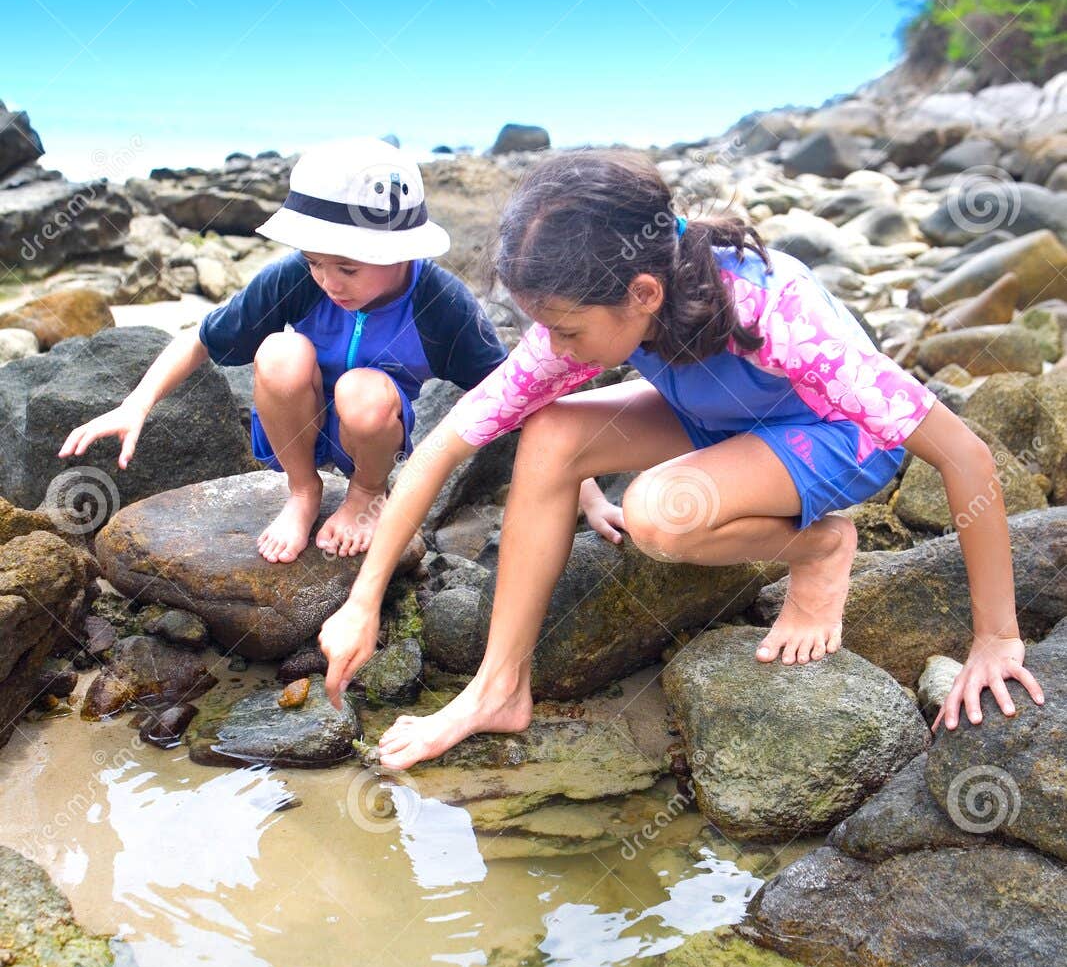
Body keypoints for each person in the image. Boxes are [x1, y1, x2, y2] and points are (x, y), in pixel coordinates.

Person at [316, 147, 1045, 767]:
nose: (554, 348)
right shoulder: (601, 307)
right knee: (550, 433)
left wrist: (995, 638)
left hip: (835, 434)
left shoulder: (774, 309)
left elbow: (965, 456)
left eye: (567, 331)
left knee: (658, 512)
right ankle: (498, 688)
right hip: (718, 415)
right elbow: (444, 445)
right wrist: (362, 601)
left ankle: (820, 547)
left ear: (643, 293)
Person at [58, 136, 521, 561]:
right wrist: (137, 404)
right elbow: (202, 336)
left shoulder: (440, 302)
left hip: (373, 430)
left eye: (347, 268)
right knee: (280, 351)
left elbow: (510, 390)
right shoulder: (297, 277)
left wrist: (558, 480)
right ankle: (303, 492)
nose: (329, 282)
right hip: (296, 425)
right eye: (316, 262)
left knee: (362, 390)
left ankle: (366, 493)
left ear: (402, 250)